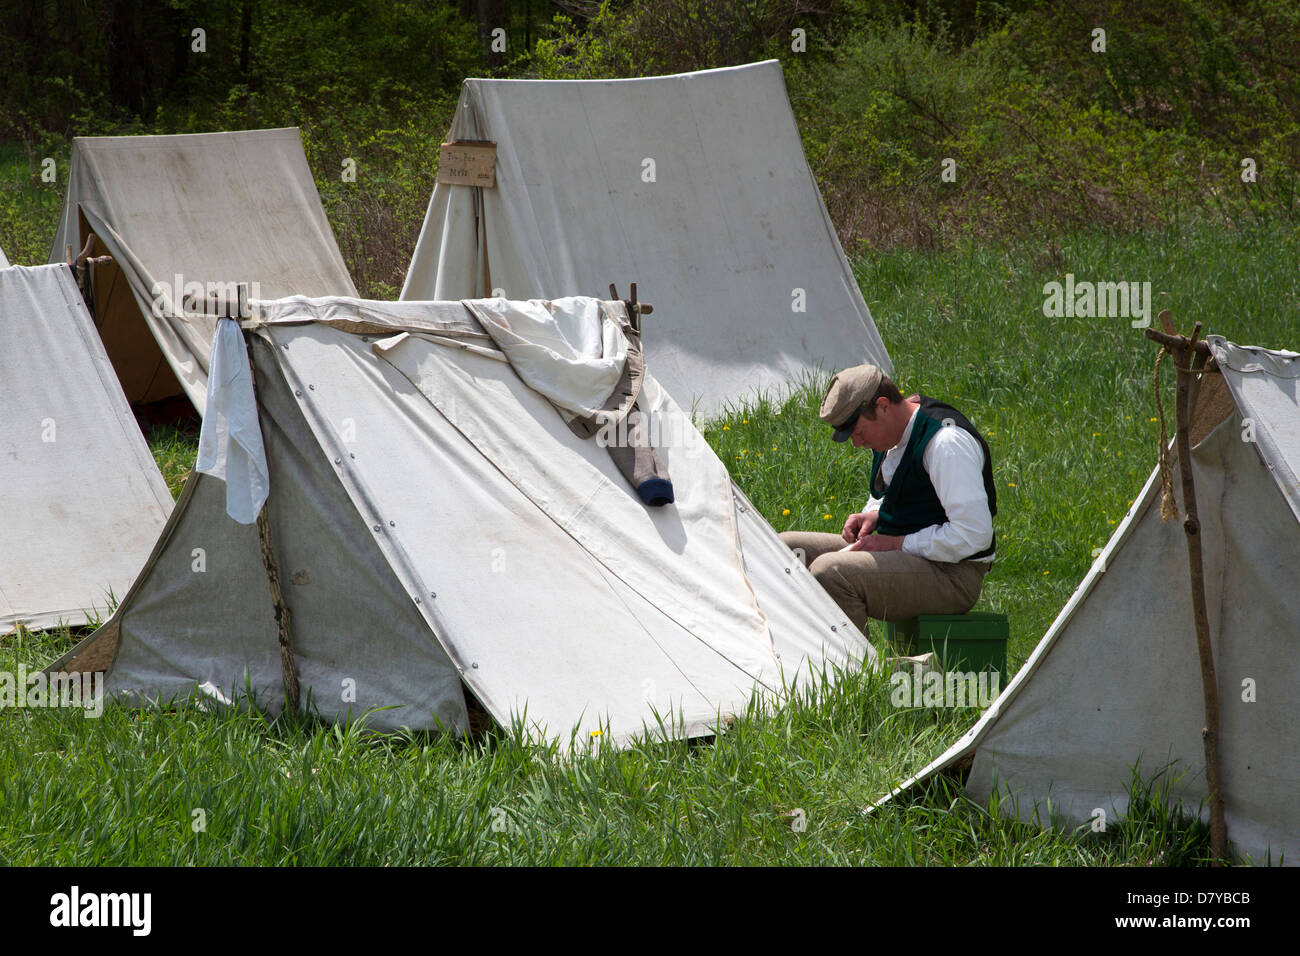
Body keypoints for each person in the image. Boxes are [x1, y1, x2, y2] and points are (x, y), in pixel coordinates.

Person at [780, 364, 997, 630]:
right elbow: (903, 487)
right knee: (780, 549)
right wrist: (874, 514)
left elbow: (973, 536)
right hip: (912, 553)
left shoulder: (945, 443)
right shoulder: (893, 431)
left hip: (952, 572)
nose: (857, 444)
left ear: (883, 406)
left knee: (831, 572)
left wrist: (896, 543)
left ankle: (855, 670)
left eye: (859, 433)